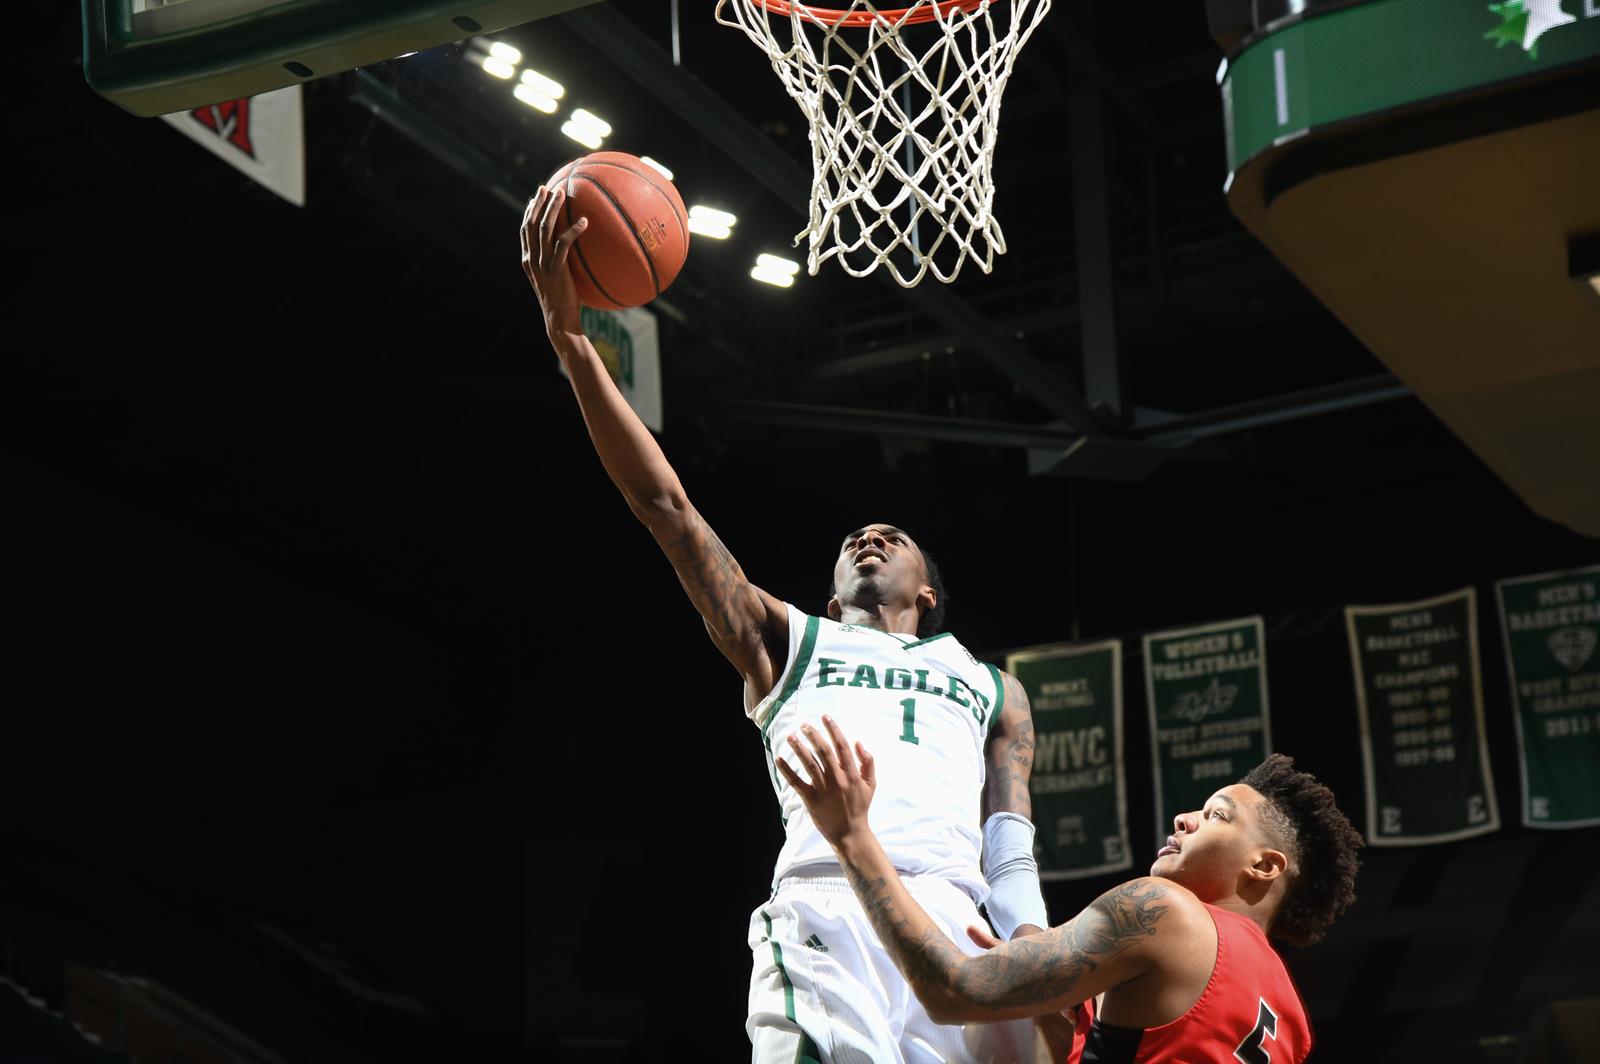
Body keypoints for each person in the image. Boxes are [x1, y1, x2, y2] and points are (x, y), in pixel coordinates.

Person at [521, 186, 1049, 1062]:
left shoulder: (994, 687)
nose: (869, 537)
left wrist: (1033, 942)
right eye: (855, 539)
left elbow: (1009, 839)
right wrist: (573, 344)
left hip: (960, 927)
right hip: (826, 906)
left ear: (929, 596)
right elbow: (667, 508)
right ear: (833, 586)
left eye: (893, 537)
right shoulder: (788, 641)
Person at [779, 717, 1363, 1064]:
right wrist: (1069, 1030)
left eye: (1216, 816)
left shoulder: (1164, 912)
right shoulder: (1291, 1018)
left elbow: (950, 989)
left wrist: (852, 834)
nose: (1186, 818)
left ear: (1264, 866)